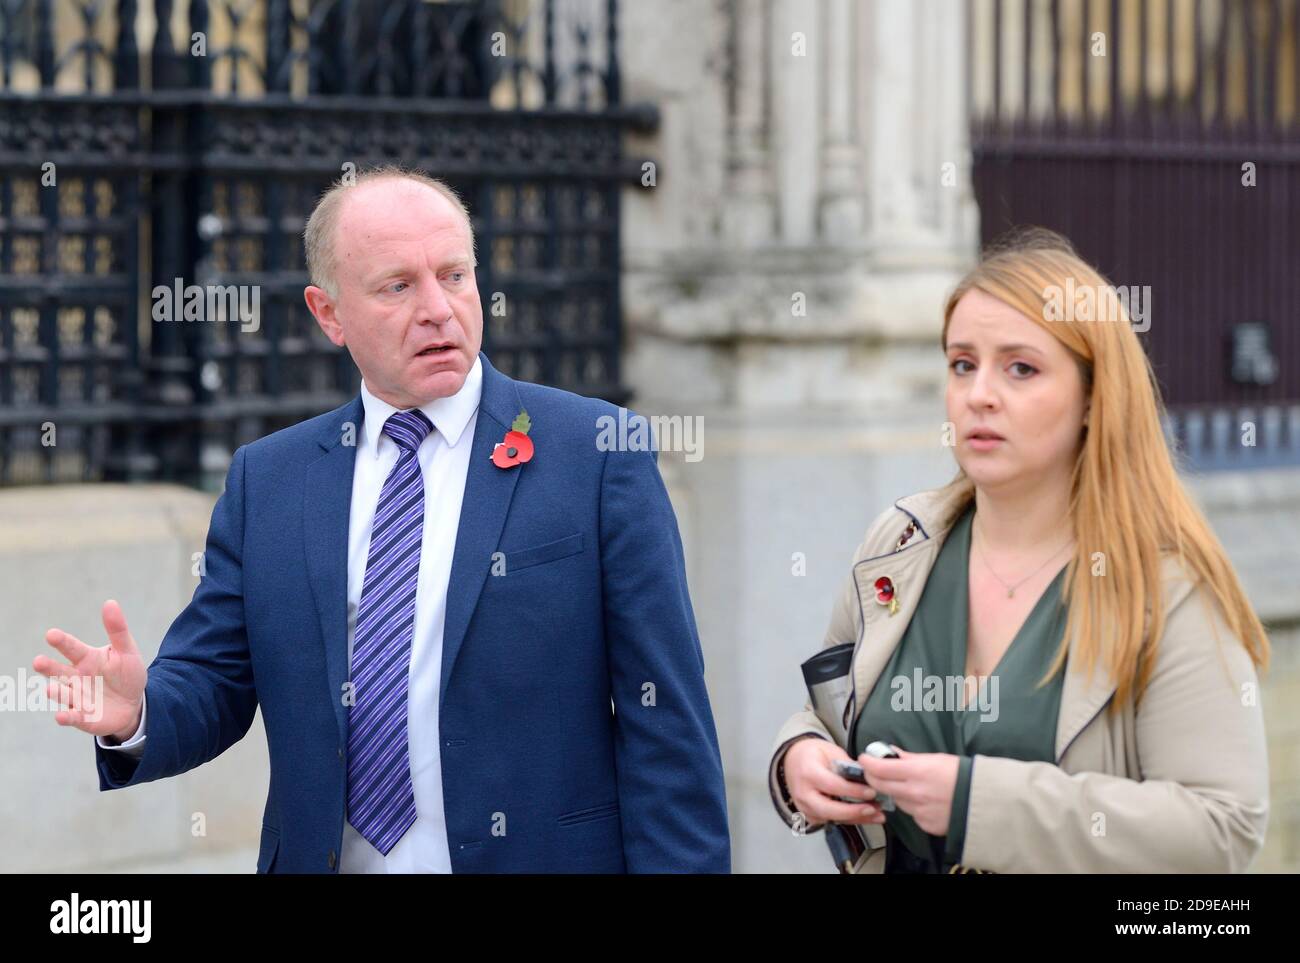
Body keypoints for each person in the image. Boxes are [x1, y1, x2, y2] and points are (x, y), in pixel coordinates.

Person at [35, 166, 730, 874]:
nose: (438, 308)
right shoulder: (270, 481)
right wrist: (139, 711)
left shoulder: (596, 454)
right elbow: (215, 677)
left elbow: (667, 726)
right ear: (328, 313)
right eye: (398, 286)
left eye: (454, 275)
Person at [768, 228, 1270, 873]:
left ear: (1094, 397)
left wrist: (981, 806)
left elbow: (1221, 830)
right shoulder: (899, 544)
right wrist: (798, 761)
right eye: (962, 364)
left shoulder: (1168, 587)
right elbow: (827, 719)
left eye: (1021, 367)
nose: (980, 393)